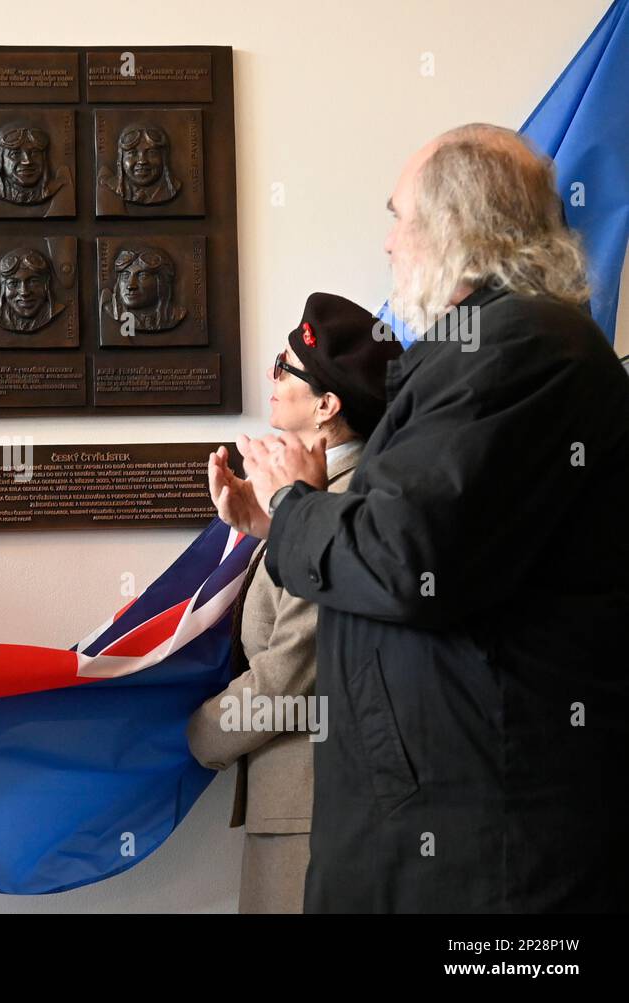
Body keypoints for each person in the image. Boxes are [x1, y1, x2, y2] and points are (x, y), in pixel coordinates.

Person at [219, 124, 629, 912]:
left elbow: (408, 560)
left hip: (487, 854)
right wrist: (278, 526)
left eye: (397, 216)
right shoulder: (495, 348)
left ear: (454, 227)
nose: (387, 242)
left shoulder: (522, 350)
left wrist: (292, 504)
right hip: (440, 833)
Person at [188, 293, 402, 913]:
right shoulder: (318, 500)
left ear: (328, 405)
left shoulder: (344, 503)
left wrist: (199, 733)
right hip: (298, 804)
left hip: (316, 811)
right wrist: (261, 528)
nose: (270, 379)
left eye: (284, 369)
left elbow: (294, 673)